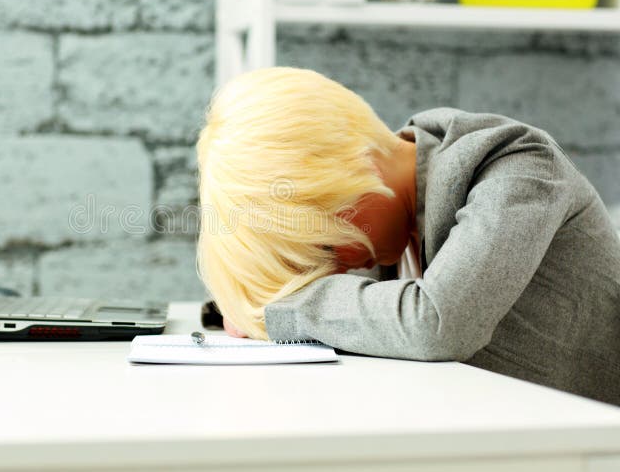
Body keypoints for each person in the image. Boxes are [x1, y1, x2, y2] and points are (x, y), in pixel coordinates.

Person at [196, 66, 620, 406]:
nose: (336, 268)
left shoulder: (518, 166)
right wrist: (251, 298)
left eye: (325, 246)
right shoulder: (393, 222)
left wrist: (278, 307)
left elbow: (439, 324)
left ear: (354, 167)